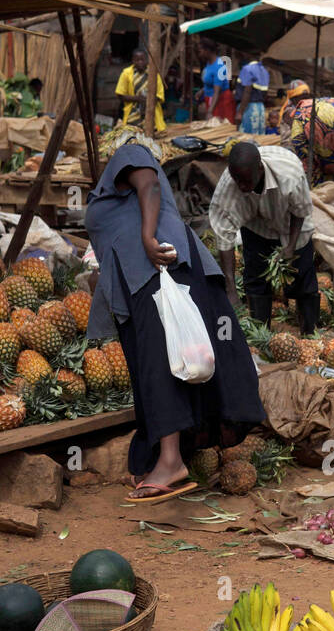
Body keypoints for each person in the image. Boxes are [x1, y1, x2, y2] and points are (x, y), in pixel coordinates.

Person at [84, 137, 264, 500]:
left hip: (160, 273)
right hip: (148, 279)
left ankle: (170, 460)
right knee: (169, 361)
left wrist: (148, 237)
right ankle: (178, 449)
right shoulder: (109, 190)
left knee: (158, 364)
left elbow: (149, 184)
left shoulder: (128, 152)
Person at [209, 141, 318, 332]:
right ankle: (261, 334)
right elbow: (224, 237)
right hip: (256, 227)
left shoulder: (289, 174)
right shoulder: (228, 186)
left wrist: (290, 247)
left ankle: (310, 334)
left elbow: (300, 211)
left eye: (246, 181)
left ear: (259, 169)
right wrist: (231, 289)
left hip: (291, 224)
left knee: (303, 278)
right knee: (256, 278)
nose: (242, 186)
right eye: (237, 180)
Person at [115, 48, 166, 134]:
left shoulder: (154, 74)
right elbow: (120, 95)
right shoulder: (126, 73)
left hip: (151, 113)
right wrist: (137, 99)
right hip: (133, 114)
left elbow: (160, 96)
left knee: (153, 134)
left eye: (142, 59)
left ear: (147, 60)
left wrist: (147, 101)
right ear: (133, 60)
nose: (140, 62)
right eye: (137, 60)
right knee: (132, 134)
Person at [197, 38, 236, 124]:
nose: (199, 54)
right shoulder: (209, 63)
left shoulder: (219, 67)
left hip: (220, 102)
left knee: (219, 126)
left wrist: (210, 111)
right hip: (212, 100)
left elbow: (217, 92)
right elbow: (211, 81)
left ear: (207, 51)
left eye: (200, 51)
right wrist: (202, 90)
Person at [237, 54, 270, 134]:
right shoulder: (264, 70)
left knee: (246, 138)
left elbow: (247, 91)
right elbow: (265, 93)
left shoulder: (247, 69)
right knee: (259, 138)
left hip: (248, 109)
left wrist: (240, 112)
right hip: (260, 108)